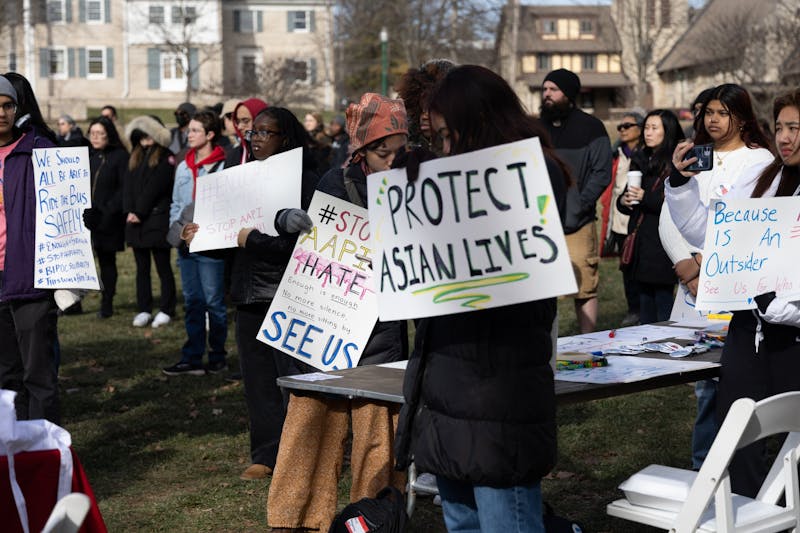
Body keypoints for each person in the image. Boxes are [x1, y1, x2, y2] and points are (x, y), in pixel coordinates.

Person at [395, 65, 569, 532]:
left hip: (499, 389)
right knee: (462, 521)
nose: (444, 146)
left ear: (480, 119)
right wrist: (414, 186)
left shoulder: (533, 173)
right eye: (439, 137)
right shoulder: (450, 176)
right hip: (448, 384)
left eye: (449, 134)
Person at [267, 93, 409, 532]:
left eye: (399, 150)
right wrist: (288, 219)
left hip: (382, 331)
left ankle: (376, 516)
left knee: (378, 431)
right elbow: (298, 233)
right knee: (310, 421)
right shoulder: (334, 180)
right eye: (383, 152)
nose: (392, 161)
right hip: (326, 326)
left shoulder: (416, 182)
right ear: (362, 150)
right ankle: (296, 517)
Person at [666, 88, 796, 497]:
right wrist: (679, 184)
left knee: (793, 440)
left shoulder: (759, 164)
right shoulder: (766, 177)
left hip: (792, 336)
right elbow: (711, 232)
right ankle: (746, 513)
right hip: (748, 332)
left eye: (795, 128)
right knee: (738, 437)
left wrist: (780, 307)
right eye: (780, 127)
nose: (785, 137)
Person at [183, 106, 319, 480]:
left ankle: (302, 456)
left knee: (294, 381)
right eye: (252, 132)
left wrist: (253, 240)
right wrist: (200, 239)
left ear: (286, 139)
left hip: (289, 292)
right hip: (248, 293)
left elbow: (301, 246)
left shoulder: (307, 182)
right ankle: (266, 455)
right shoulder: (239, 178)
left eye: (265, 132)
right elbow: (231, 243)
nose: (255, 138)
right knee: (258, 382)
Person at [0, 74, 60, 423]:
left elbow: (67, 203)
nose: (1, 113)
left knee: (37, 373)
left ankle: (43, 446)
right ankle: (13, 445)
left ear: (16, 109)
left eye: (7, 105)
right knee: (5, 376)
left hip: (30, 275)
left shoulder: (40, 151)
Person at [539, 68, 612, 333]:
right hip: (542, 223)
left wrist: (580, 204)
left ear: (569, 94)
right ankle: (546, 343)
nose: (546, 94)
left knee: (584, 288)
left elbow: (602, 172)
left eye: (553, 89)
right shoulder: (536, 127)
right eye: (544, 89)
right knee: (543, 291)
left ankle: (588, 342)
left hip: (578, 223)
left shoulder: (591, 127)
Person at [162, 110, 228, 376]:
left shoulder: (224, 165)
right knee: (193, 302)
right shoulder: (183, 166)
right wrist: (177, 230)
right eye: (189, 130)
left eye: (195, 130)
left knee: (214, 302)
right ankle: (192, 357)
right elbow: (176, 204)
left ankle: (218, 355)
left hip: (211, 244)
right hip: (186, 245)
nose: (189, 135)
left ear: (210, 134)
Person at [615, 110, 682, 323]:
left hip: (662, 242)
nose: (648, 133)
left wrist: (645, 198)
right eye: (646, 128)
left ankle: (666, 339)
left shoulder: (676, 162)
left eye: (654, 128)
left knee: (663, 301)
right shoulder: (640, 158)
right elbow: (626, 198)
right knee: (644, 301)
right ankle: (646, 340)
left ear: (667, 131)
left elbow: (677, 204)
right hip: (640, 241)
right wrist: (624, 201)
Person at [123, 116, 177, 328]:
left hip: (156, 220)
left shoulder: (166, 157)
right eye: (141, 135)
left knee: (163, 267)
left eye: (149, 134)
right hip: (136, 222)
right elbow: (128, 186)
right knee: (141, 268)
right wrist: (129, 211)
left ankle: (167, 308)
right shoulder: (135, 156)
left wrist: (139, 211)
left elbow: (155, 187)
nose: (145, 138)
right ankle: (144, 308)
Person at [81, 116, 129, 319]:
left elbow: (123, 188)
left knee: (107, 262)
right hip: (86, 217)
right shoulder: (87, 155)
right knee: (81, 262)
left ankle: (107, 302)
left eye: (100, 133)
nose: (95, 137)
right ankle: (75, 303)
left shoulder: (120, 156)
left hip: (108, 219)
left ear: (109, 135)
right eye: (92, 133)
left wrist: (107, 211)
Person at [600, 110, 643, 327]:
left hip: (639, 221)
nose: (622, 130)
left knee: (641, 268)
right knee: (626, 267)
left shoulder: (645, 154)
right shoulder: (616, 154)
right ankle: (633, 309)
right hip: (619, 222)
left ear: (640, 129)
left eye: (627, 126)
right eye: (620, 127)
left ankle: (645, 310)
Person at [395, 58, 456, 153]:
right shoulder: (404, 147)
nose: (425, 116)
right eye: (421, 108)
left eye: (434, 107)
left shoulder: (464, 149)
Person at [225, 98, 268, 167]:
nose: (239, 127)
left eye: (245, 121)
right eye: (237, 121)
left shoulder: (277, 151)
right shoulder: (233, 156)